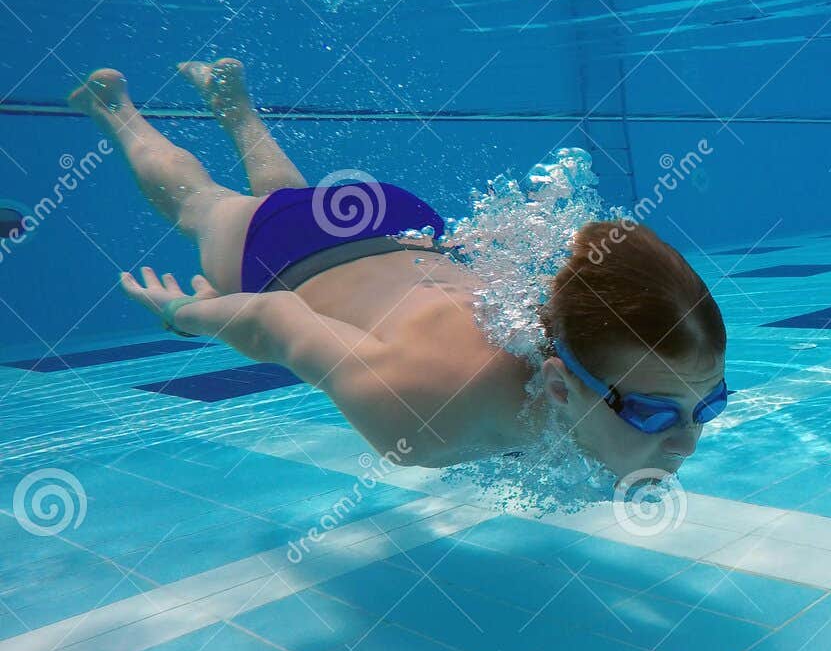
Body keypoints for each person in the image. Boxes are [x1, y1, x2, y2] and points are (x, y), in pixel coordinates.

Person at [69, 61, 727, 487]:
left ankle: (238, 113)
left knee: (285, 198)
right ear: (557, 389)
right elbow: (277, 320)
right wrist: (183, 316)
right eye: (650, 413)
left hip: (408, 224)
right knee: (199, 205)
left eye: (711, 402)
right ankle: (116, 111)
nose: (689, 442)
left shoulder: (584, 350)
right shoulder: (426, 418)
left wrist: (642, 413)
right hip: (297, 257)